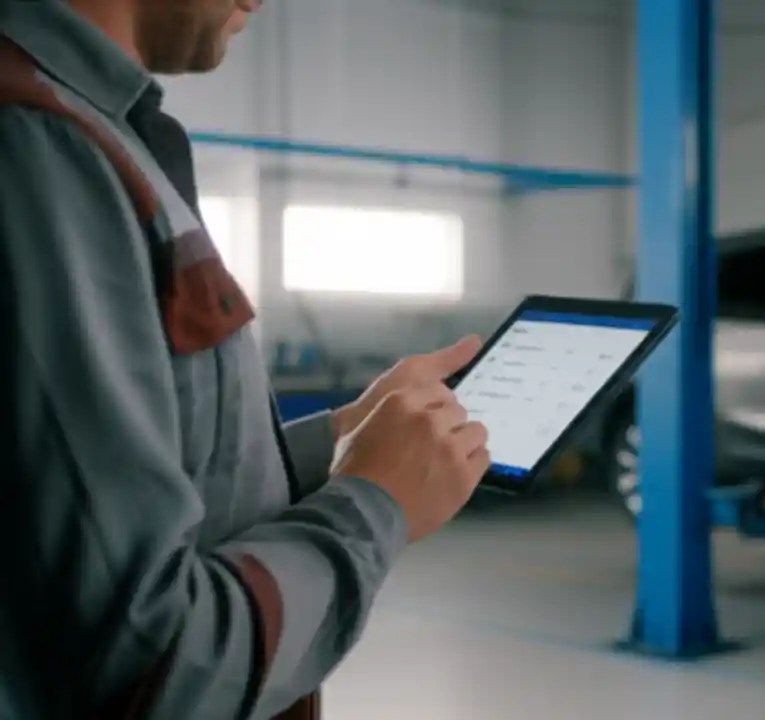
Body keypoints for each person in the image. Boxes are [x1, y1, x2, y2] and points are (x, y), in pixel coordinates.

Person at [0, 1, 490, 718]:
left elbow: (147, 478)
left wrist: (346, 438)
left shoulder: (90, 130)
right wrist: (374, 504)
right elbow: (152, 668)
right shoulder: (38, 141)